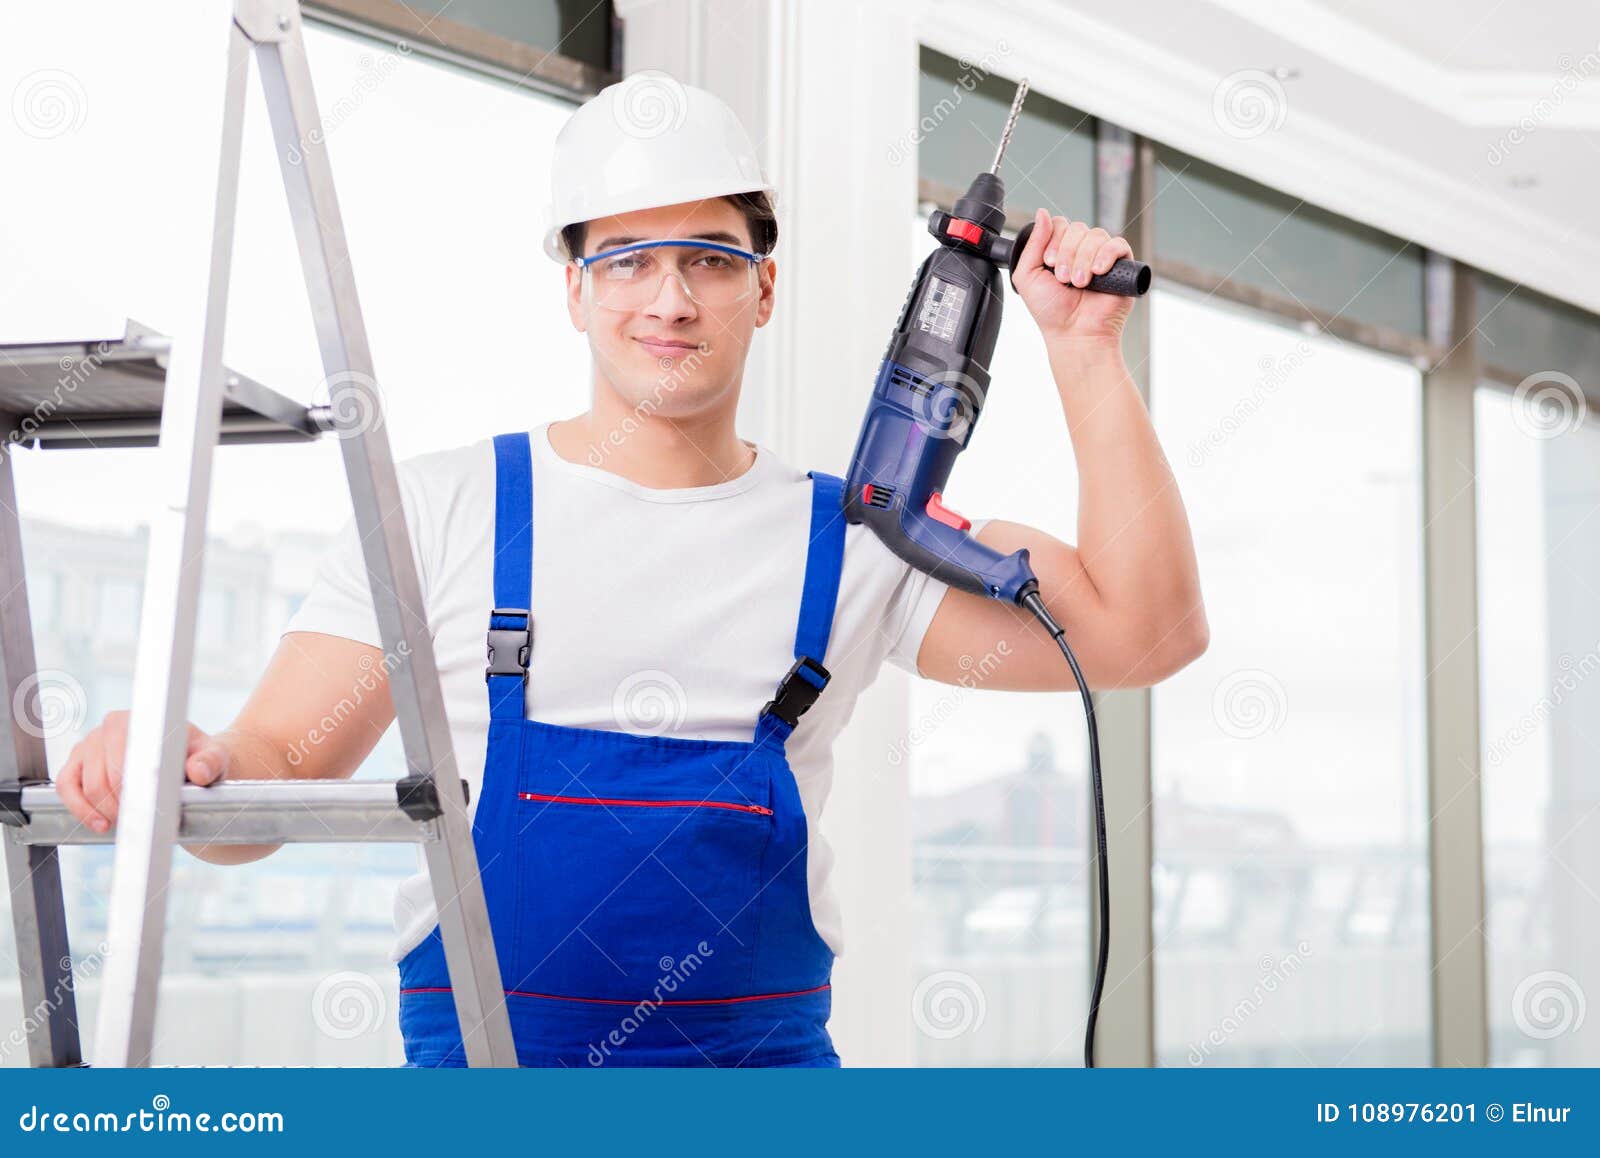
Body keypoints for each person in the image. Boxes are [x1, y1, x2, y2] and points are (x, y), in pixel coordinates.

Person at [55, 76, 1207, 1067]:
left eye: (708, 258)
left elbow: (1144, 635)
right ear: (575, 289)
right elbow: (270, 784)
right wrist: (175, 765)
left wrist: (1083, 350)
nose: (668, 297)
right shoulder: (441, 510)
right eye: (628, 262)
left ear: (763, 287)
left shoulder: (862, 537)